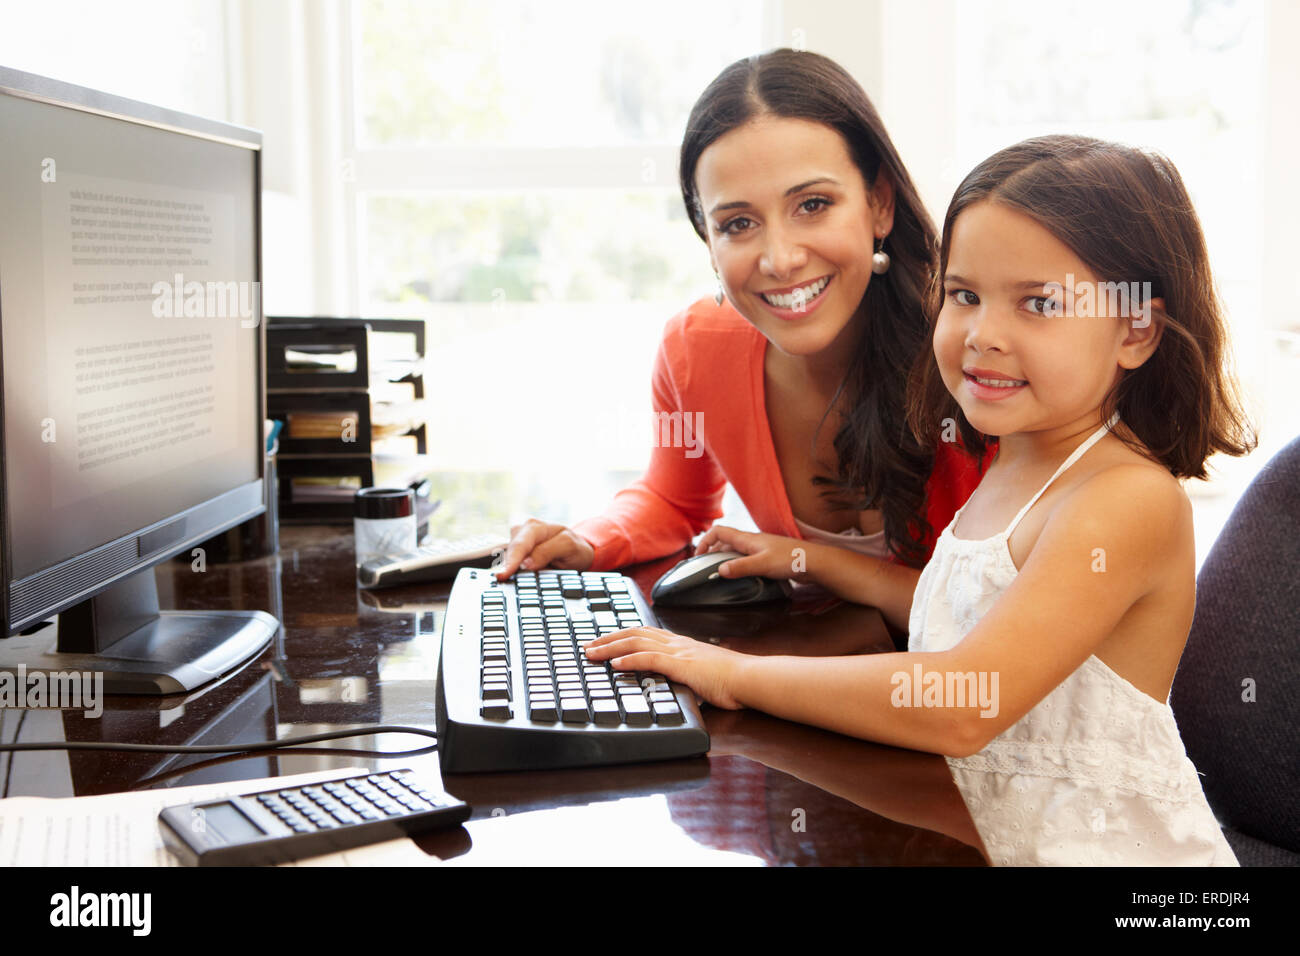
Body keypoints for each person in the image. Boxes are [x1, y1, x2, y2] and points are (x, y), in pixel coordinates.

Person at [587, 135, 1256, 865]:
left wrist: (732, 674)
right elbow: (965, 614)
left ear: (1135, 329)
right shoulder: (1018, 460)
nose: (982, 335)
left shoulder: (1126, 500)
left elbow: (965, 699)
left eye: (1037, 304)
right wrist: (815, 561)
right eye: (964, 295)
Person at [495, 50, 988, 632]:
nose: (780, 259)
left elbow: (990, 611)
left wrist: (814, 562)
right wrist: (584, 540)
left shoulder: (975, 354)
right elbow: (674, 501)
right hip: (821, 684)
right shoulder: (696, 347)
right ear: (707, 239)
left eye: (812, 204)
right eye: (737, 223)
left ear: (879, 203)